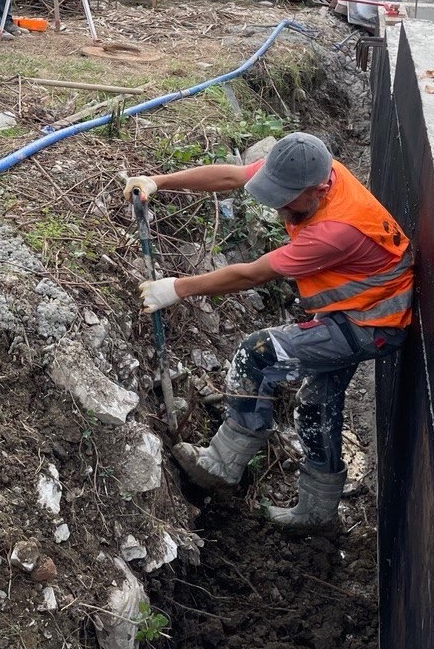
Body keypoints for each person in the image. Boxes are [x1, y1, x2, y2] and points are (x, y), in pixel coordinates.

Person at [122, 132, 413, 530]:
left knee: (256, 353)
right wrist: (160, 181)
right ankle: (317, 513)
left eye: (285, 198)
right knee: (317, 406)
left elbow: (251, 274)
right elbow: (232, 177)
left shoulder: (335, 231)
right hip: (351, 311)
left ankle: (223, 463)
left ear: (317, 189)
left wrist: (177, 288)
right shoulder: (310, 169)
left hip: (370, 324)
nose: (277, 206)